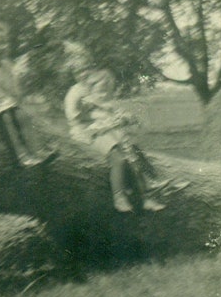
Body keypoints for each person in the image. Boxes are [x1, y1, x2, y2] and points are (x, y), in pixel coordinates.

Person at [64, 66, 167, 212]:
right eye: (81, 74)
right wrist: (100, 117)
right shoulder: (78, 95)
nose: (104, 91)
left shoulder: (100, 94)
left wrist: (124, 118)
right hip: (90, 132)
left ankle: (148, 196)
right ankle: (120, 197)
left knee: (133, 155)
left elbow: (113, 112)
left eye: (107, 87)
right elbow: (78, 119)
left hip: (107, 130)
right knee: (119, 157)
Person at [0, 21, 55, 167]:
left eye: (5, 42)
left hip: (8, 103)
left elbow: (15, 91)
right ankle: (21, 156)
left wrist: (18, 103)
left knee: (22, 116)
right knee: (6, 117)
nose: (4, 47)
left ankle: (38, 150)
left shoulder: (7, 65)